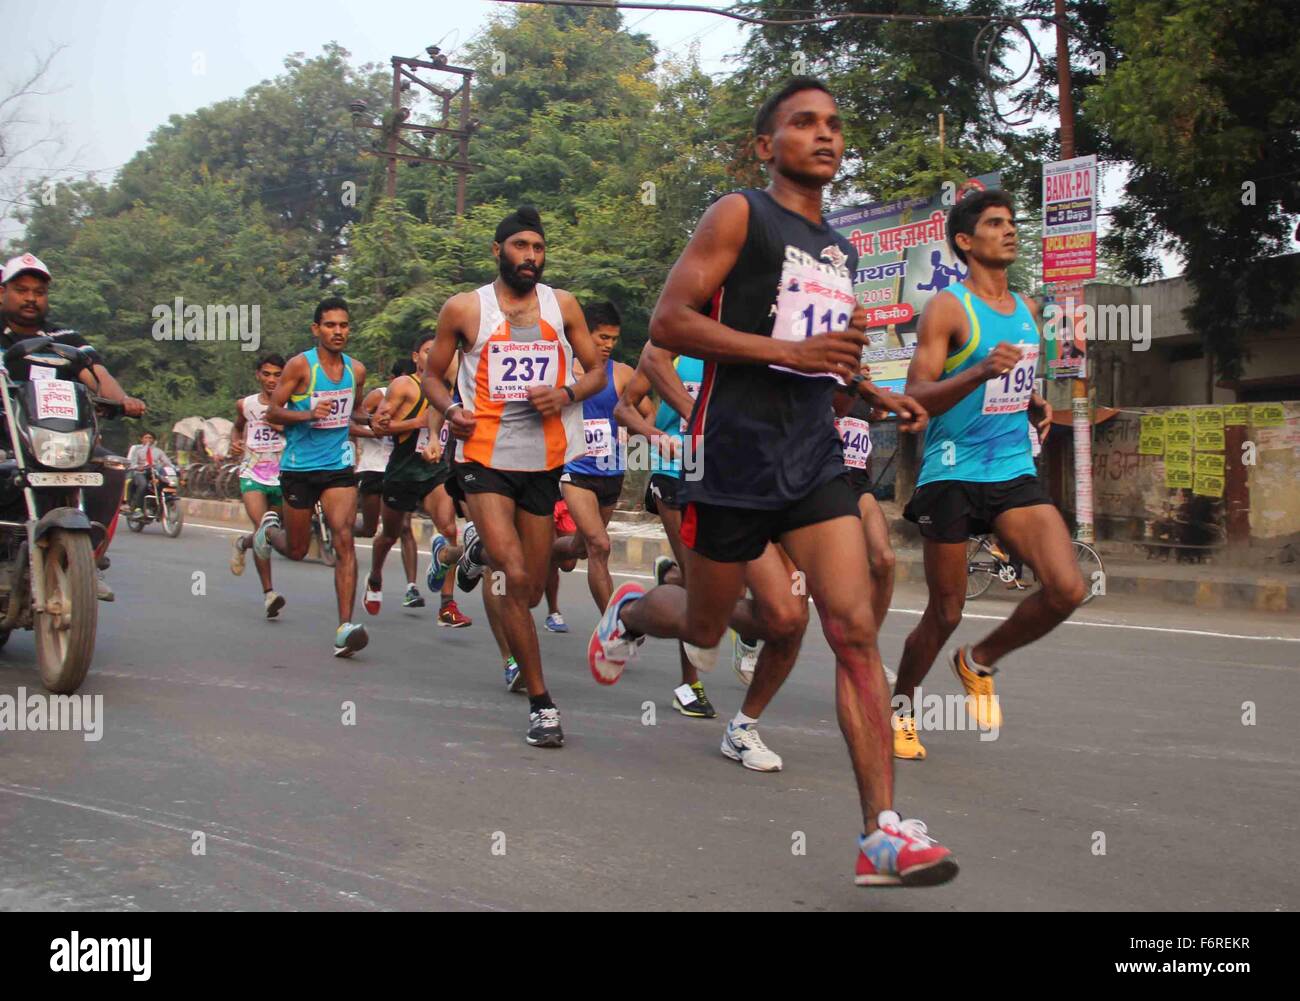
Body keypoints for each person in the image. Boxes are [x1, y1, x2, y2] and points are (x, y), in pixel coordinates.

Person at [588, 79, 957, 887]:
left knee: (852, 627)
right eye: (803, 122)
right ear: (767, 145)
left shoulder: (842, 251)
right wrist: (786, 355)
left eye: (833, 122)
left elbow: (823, 355)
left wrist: (865, 389)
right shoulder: (739, 216)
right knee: (710, 626)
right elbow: (670, 323)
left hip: (813, 455)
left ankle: (881, 834)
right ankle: (634, 609)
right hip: (731, 456)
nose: (824, 134)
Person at [895, 187, 1082, 756]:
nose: (1009, 230)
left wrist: (1032, 402)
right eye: (995, 223)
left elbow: (1013, 378)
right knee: (947, 609)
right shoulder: (948, 308)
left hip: (1011, 467)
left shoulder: (1025, 309)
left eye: (1011, 222)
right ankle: (901, 707)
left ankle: (979, 660)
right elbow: (916, 397)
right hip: (951, 473)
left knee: (1068, 587)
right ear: (965, 241)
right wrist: (978, 372)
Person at [421, 205, 606, 748]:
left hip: (544, 461)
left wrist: (567, 393)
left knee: (524, 589)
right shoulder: (465, 309)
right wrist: (451, 408)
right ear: (499, 250)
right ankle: (542, 703)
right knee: (512, 566)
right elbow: (434, 375)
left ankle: (473, 554)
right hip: (482, 458)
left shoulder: (563, 305)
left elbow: (597, 371)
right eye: (521, 246)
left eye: (539, 248)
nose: (531, 256)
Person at [0, 253, 145, 602]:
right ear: (3, 292)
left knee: (110, 468)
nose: (31, 298)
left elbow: (96, 376)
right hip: (7, 437)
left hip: (56, 438)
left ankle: (88, 561)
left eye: (39, 291)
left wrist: (121, 399)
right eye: (22, 289)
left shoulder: (65, 338)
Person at [253, 297, 370, 658]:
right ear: (316, 329)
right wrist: (307, 415)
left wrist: (374, 423)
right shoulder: (300, 366)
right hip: (299, 467)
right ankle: (269, 532)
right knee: (298, 548)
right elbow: (272, 412)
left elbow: (356, 412)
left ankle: (344, 628)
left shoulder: (357, 371)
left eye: (344, 325)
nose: (338, 332)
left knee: (344, 539)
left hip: (337, 465)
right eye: (331, 325)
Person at [550, 301, 653, 617]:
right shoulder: (560, 373)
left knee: (579, 549)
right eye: (602, 337)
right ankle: (614, 625)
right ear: (583, 335)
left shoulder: (622, 374)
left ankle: (542, 552)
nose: (608, 345)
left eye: (613, 339)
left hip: (611, 472)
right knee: (600, 546)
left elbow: (648, 413)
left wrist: (630, 451)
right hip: (574, 472)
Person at [364, 333, 468, 618]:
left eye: (438, 350)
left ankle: (448, 605)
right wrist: (416, 422)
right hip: (403, 470)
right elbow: (380, 427)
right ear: (415, 357)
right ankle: (374, 577)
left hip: (435, 471)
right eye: (426, 351)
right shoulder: (404, 386)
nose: (433, 355)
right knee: (389, 534)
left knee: (449, 531)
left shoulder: (452, 387)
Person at [228, 353, 288, 617]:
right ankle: (269, 594)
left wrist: (282, 427)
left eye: (277, 374)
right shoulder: (246, 404)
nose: (272, 380)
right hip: (252, 474)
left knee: (277, 531)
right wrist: (235, 441)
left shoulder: (294, 406)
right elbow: (237, 427)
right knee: (264, 527)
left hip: (284, 476)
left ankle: (243, 543)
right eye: (267, 374)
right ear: (258, 375)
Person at [126, 432, 175, 514]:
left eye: (150, 438)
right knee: (143, 484)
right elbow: (132, 464)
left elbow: (167, 462)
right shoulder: (137, 450)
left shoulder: (158, 451)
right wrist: (138, 467)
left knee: (165, 483)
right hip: (140, 473)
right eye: (146, 438)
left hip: (154, 473)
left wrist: (174, 467)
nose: (148, 440)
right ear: (141, 439)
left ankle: (158, 505)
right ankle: (137, 508)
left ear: (154, 440)